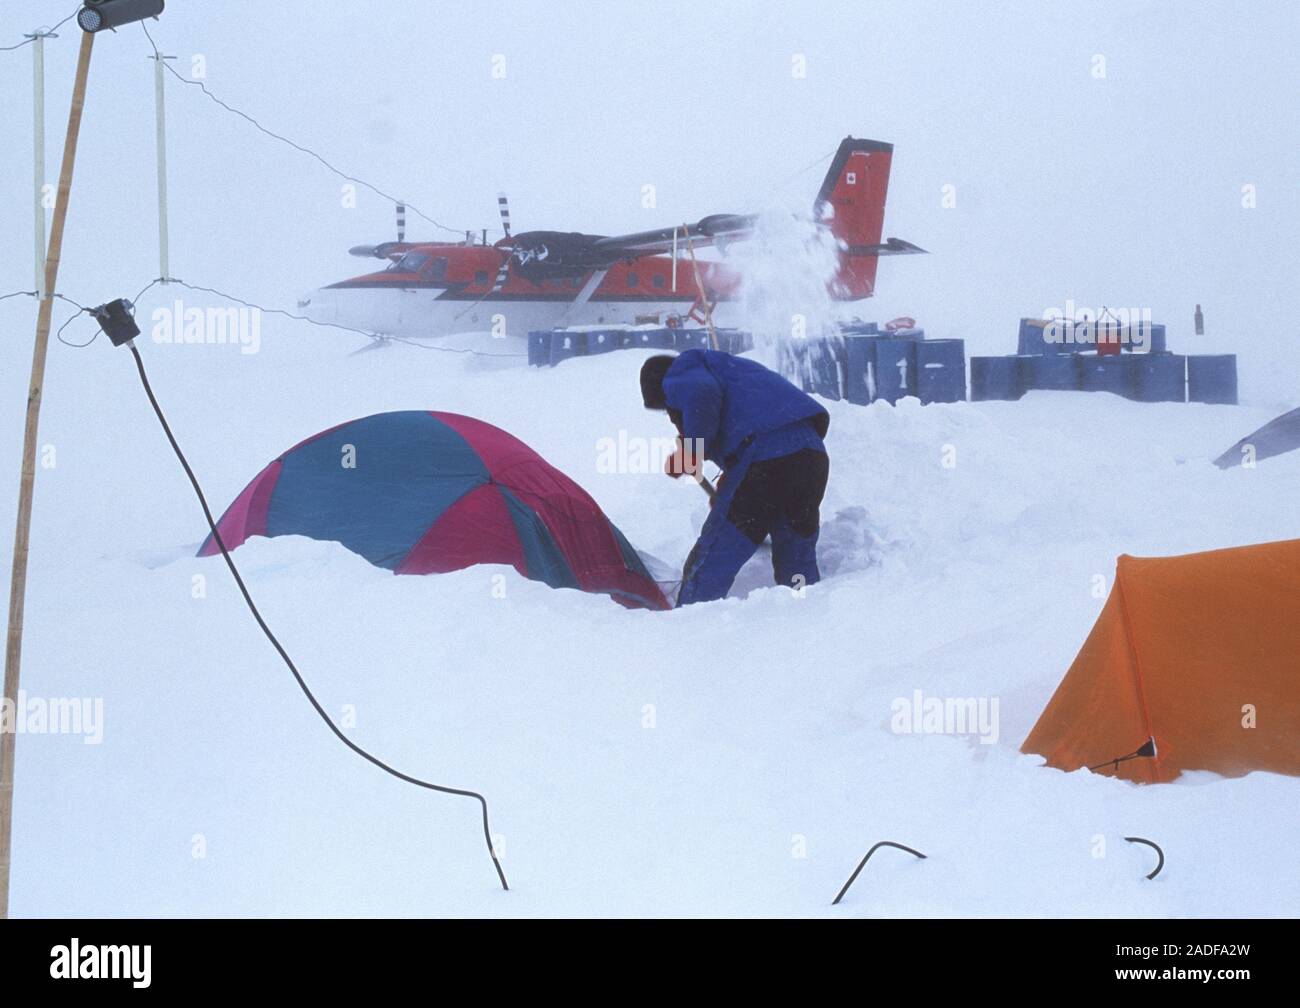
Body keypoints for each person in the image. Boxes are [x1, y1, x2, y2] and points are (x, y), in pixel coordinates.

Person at [640, 349, 830, 605]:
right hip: (808, 458)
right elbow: (758, 424)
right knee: (796, 556)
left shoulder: (681, 371)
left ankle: (688, 622)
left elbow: (701, 393)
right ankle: (806, 615)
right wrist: (733, 479)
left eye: (666, 408)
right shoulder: (732, 371)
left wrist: (691, 451)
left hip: (766, 463)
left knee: (717, 553)